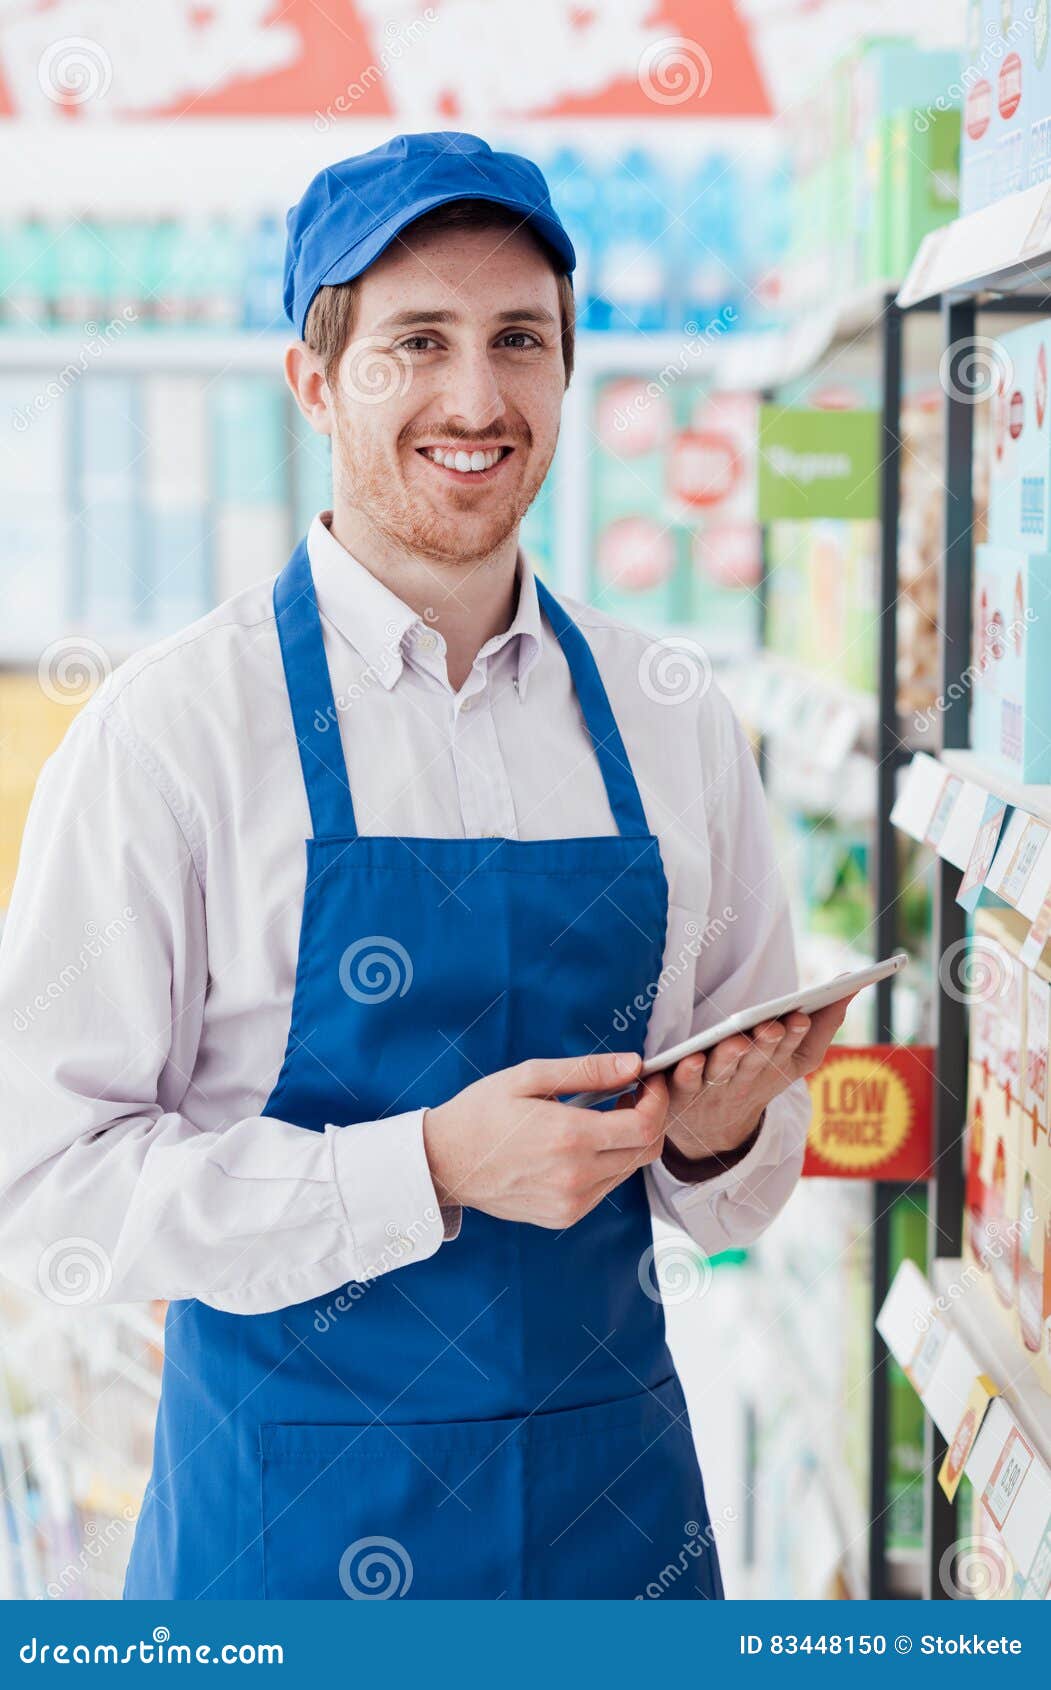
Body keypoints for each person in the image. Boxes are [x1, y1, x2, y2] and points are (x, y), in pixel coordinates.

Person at [0, 132, 851, 1600]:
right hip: (287, 1536)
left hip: (617, 1524)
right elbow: (50, 1191)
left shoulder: (672, 717)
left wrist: (714, 1131)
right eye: (417, 342)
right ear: (315, 382)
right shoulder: (174, 733)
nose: (476, 397)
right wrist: (433, 1167)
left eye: (520, 338)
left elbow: (737, 1193)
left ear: (570, 376)